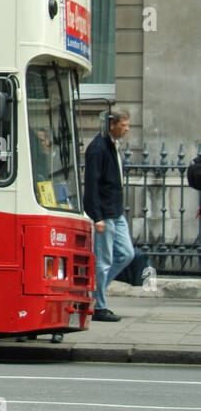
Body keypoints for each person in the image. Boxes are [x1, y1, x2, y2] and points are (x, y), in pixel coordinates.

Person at [85, 109, 136, 322]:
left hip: (116, 212)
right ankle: (99, 307)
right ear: (112, 124)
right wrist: (97, 217)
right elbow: (92, 185)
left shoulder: (113, 145)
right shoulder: (97, 148)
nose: (127, 129)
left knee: (126, 254)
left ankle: (95, 294)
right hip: (104, 214)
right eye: (124, 125)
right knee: (103, 261)